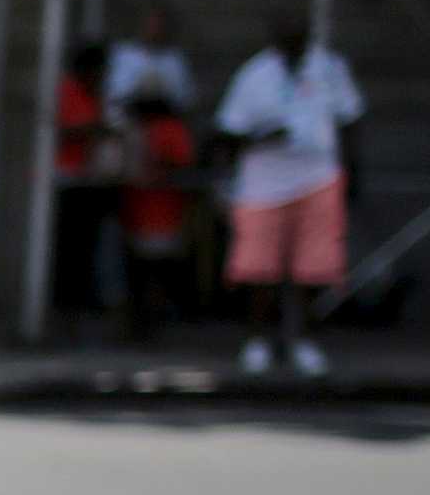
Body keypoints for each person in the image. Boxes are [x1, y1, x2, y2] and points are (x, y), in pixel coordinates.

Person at [214, 22, 364, 377]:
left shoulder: (329, 68)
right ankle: (258, 341)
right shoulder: (254, 74)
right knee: (259, 270)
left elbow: (351, 118)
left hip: (316, 180)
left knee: (312, 269)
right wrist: (265, 138)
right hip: (263, 186)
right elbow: (228, 132)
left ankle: (303, 341)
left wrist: (354, 171)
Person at [50, 41, 120, 337]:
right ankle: (62, 315)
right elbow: (62, 129)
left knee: (87, 251)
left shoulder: (96, 96)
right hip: (67, 181)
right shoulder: (67, 90)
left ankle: (80, 312)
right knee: (67, 252)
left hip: (90, 179)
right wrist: (92, 128)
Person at [120, 91, 196, 342]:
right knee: (141, 271)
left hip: (163, 211)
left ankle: (152, 321)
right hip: (138, 210)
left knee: (156, 270)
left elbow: (182, 164)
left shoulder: (169, 129)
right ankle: (139, 322)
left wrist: (158, 165)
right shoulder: (137, 130)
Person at [104, 0, 194, 114]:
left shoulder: (175, 60)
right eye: (152, 24)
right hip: (127, 122)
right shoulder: (124, 55)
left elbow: (185, 100)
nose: (155, 29)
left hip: (163, 122)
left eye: (159, 24)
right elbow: (114, 94)